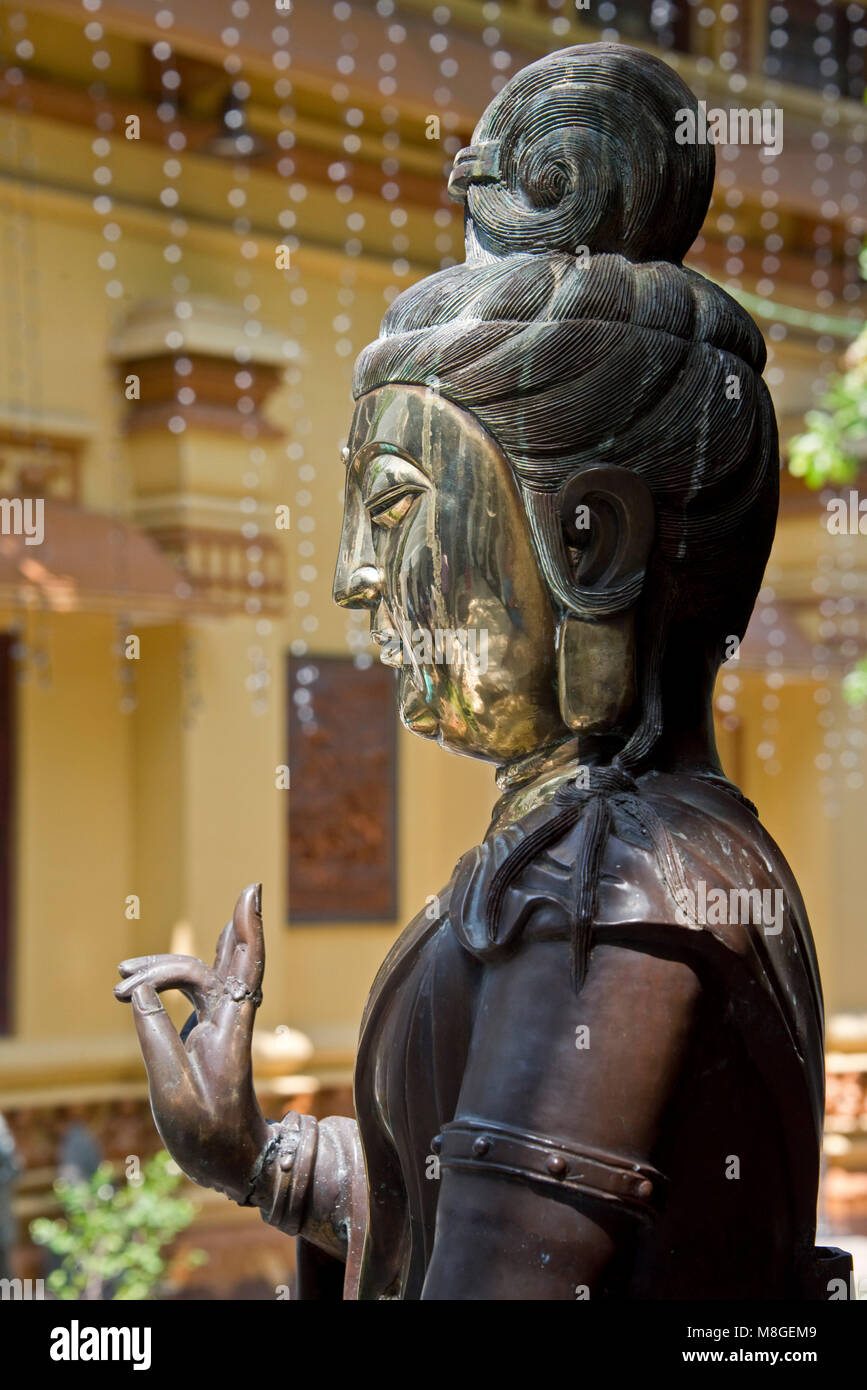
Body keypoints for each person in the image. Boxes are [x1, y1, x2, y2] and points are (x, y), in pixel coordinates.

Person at [115, 43, 845, 1300]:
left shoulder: (623, 891)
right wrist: (264, 1160)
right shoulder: (604, 859)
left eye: (392, 508)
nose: (354, 576)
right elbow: (458, 1201)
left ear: (590, 539)